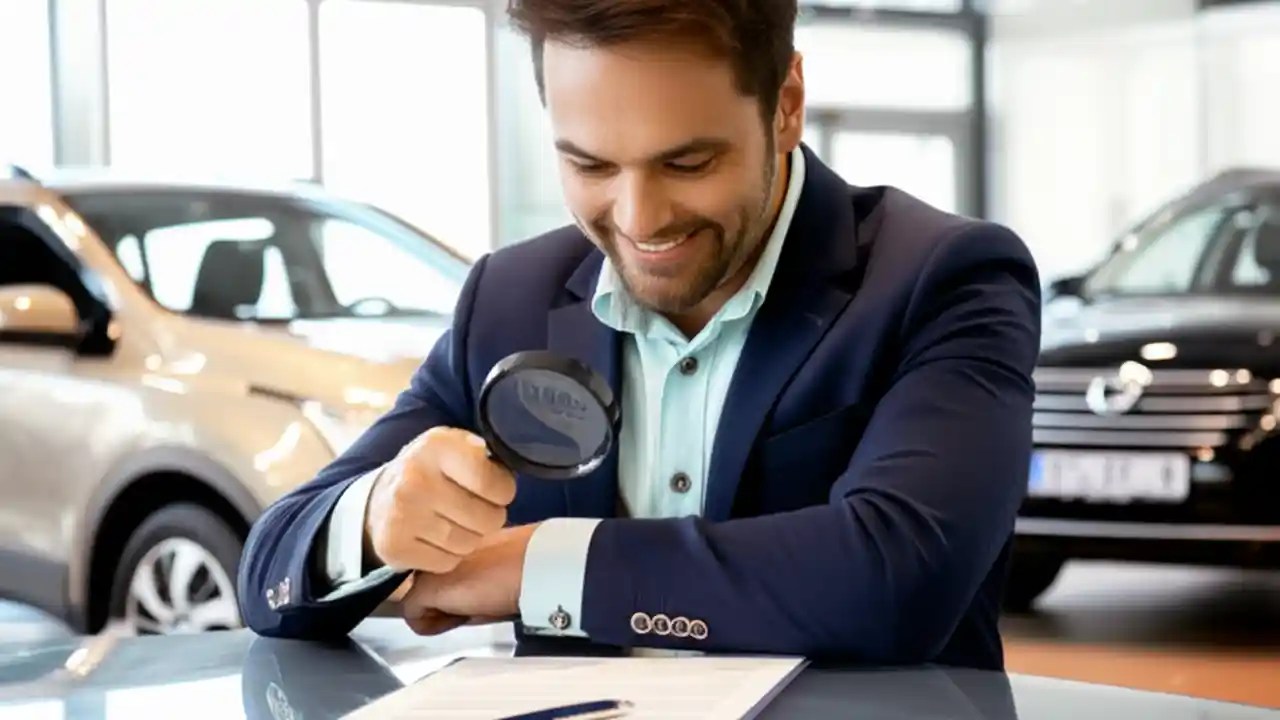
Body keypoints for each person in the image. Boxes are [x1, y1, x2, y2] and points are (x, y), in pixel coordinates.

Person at [237, 0, 1041, 670]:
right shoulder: (509, 297)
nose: (639, 219)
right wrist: (374, 516)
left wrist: (539, 564)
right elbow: (269, 572)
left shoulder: (945, 278)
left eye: (687, 165)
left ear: (786, 104)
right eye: (590, 167)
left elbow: (896, 581)